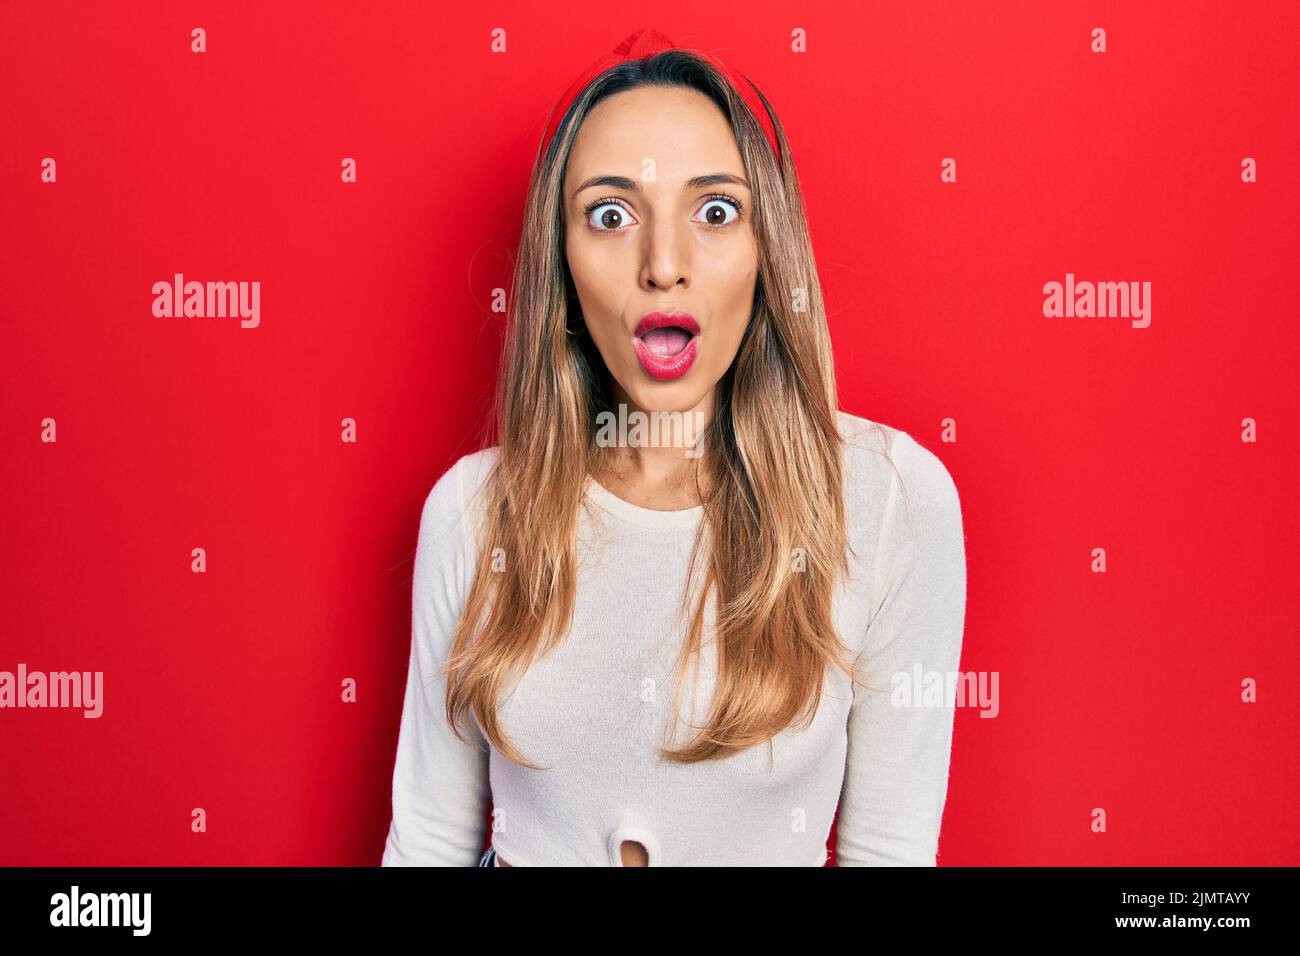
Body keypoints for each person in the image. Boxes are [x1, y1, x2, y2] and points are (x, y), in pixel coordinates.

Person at [380, 28, 967, 867]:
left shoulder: (890, 499)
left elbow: (891, 851)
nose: (663, 264)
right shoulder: (474, 513)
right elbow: (429, 842)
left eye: (715, 211)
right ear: (562, 267)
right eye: (611, 215)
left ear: (768, 254)